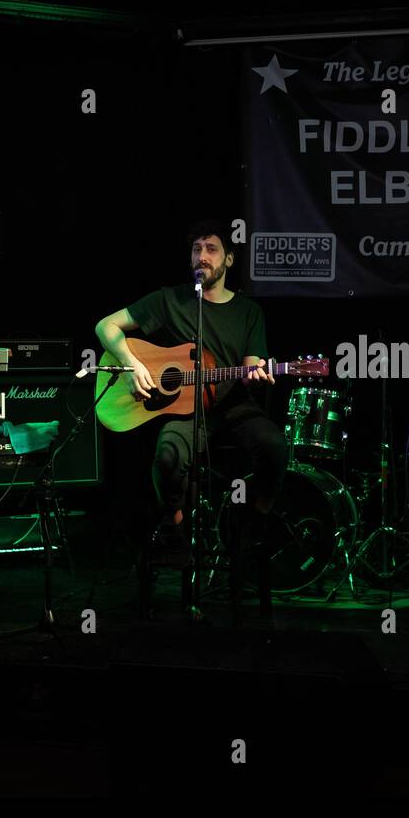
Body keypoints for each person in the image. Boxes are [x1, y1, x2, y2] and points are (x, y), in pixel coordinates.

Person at [95, 219, 288, 623]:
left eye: (212, 248)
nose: (203, 256)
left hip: (234, 409)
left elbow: (252, 364)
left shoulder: (249, 311)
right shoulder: (171, 299)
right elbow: (105, 326)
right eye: (197, 248)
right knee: (167, 456)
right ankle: (176, 522)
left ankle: (256, 519)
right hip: (186, 410)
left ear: (229, 259)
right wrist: (131, 366)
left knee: (273, 444)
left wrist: (257, 370)